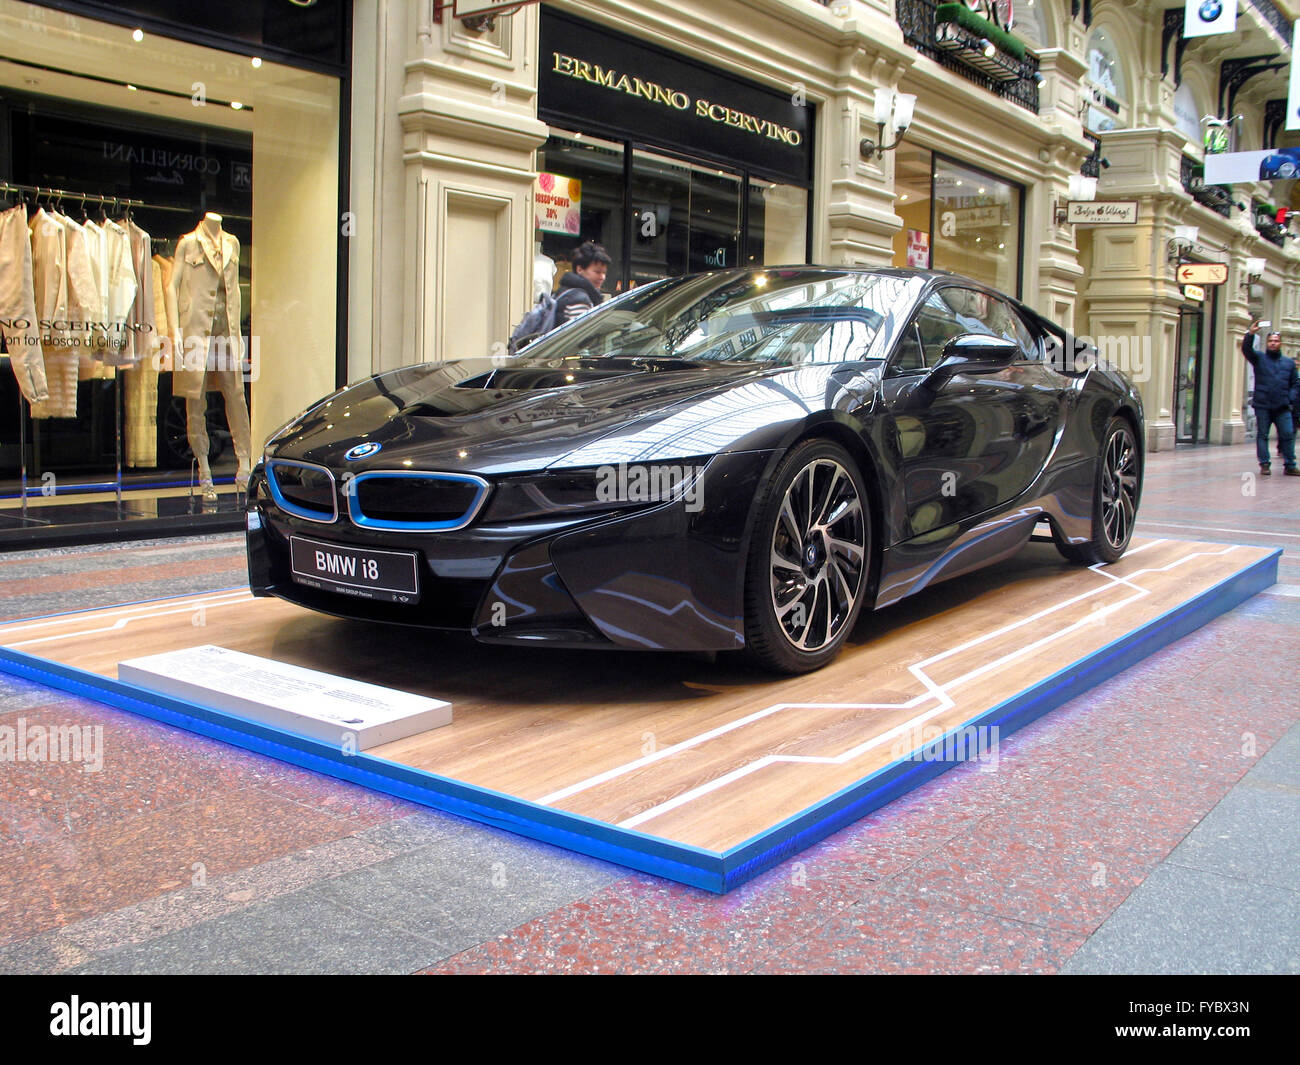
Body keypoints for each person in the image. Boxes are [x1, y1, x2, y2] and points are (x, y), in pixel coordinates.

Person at [1242, 321, 1299, 476]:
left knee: (1287, 435)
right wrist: (1251, 334)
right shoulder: (1259, 358)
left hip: (1282, 406)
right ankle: (1264, 463)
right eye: (1271, 341)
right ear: (1267, 343)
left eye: (1276, 341)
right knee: (1263, 435)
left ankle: (1290, 464)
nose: (1273, 343)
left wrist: (1290, 398)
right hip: (1263, 405)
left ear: (1280, 343)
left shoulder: (1288, 363)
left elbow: (1295, 383)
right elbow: (1246, 350)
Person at [552, 241, 611, 325]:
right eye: (597, 272)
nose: (602, 277)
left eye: (604, 273)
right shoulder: (579, 300)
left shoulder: (566, 291)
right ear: (579, 269)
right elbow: (578, 335)